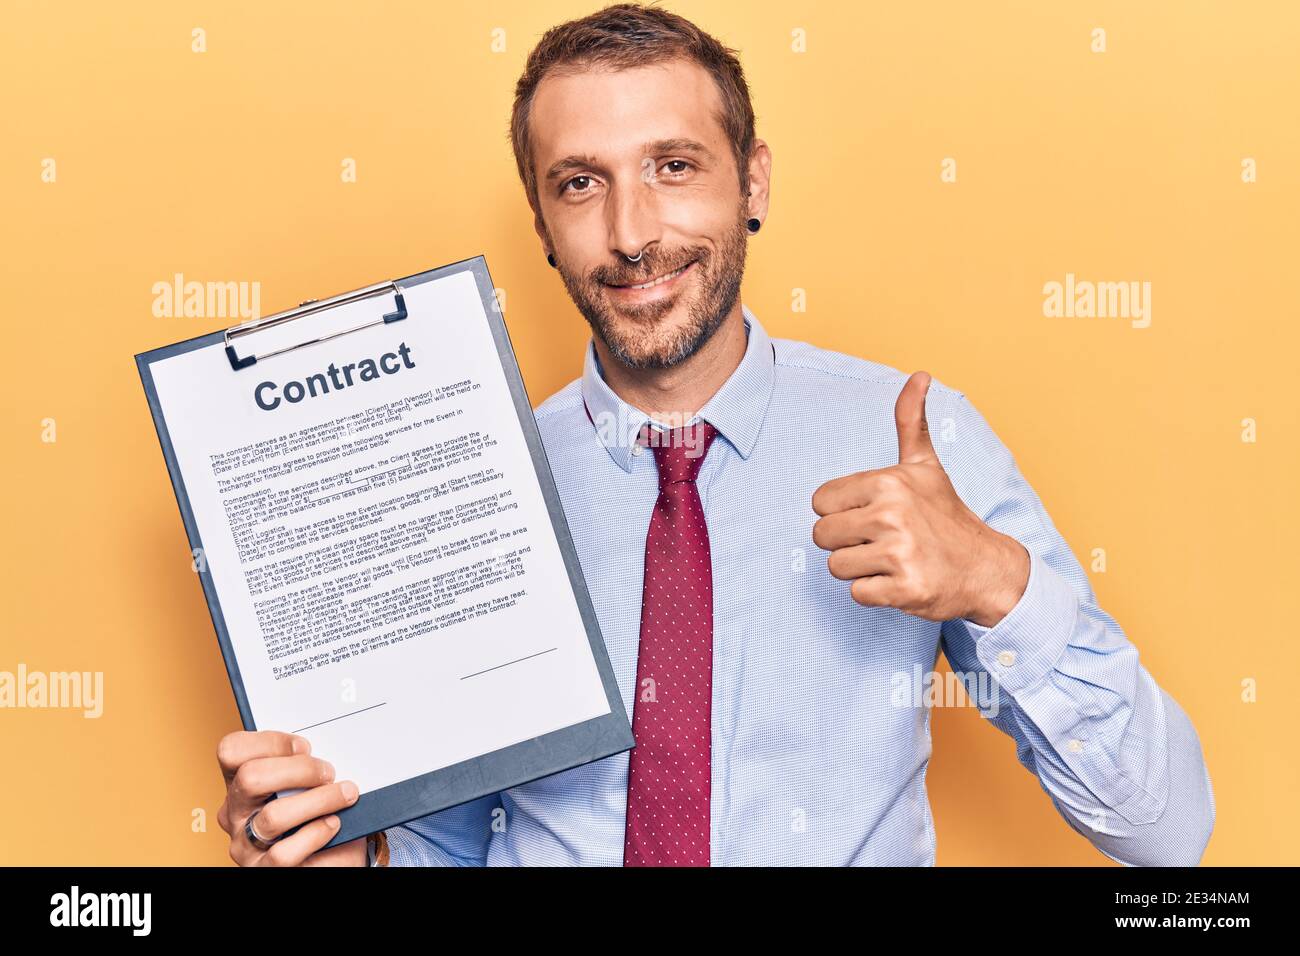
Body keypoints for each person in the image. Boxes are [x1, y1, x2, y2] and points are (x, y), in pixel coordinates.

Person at [217, 2, 1214, 867]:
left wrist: (999, 580)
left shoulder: (912, 437)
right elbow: (458, 839)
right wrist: (359, 853)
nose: (630, 230)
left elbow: (1164, 828)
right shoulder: (475, 485)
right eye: (579, 182)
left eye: (673, 165)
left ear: (753, 184)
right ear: (541, 225)